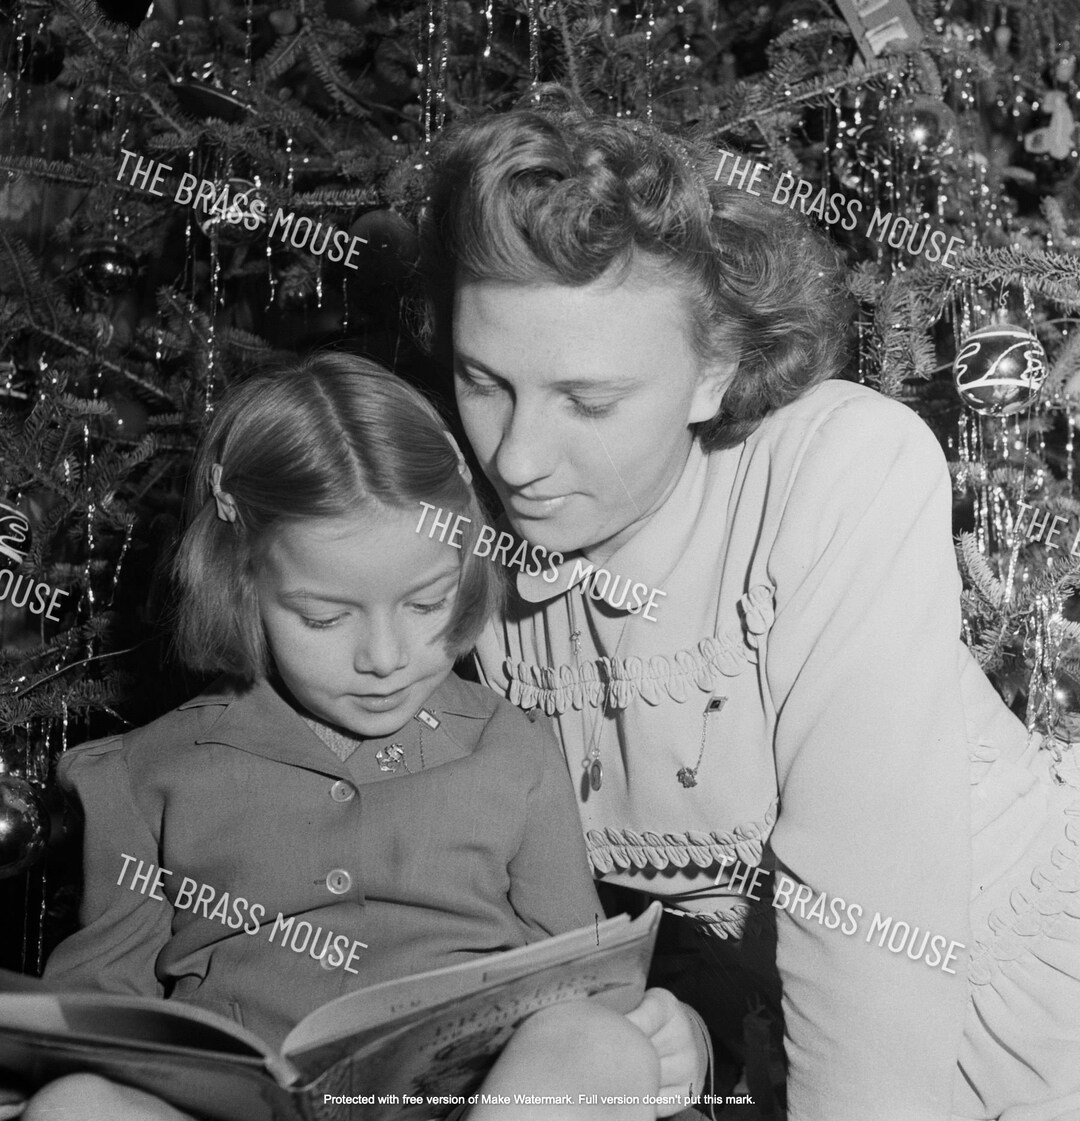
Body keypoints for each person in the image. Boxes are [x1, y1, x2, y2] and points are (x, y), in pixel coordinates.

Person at [420, 95, 1080, 1121]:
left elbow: (862, 920)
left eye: (587, 402)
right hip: (794, 1041)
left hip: (1014, 1027)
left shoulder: (838, 468)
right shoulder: (494, 563)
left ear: (713, 369)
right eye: (483, 381)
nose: (515, 457)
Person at [21, 355, 708, 1121]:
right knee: (74, 1103)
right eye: (325, 618)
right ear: (240, 582)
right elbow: (96, 1011)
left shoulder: (512, 752)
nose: (384, 658)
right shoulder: (144, 777)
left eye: (425, 603)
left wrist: (668, 1038)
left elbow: (591, 981)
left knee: (595, 1043)